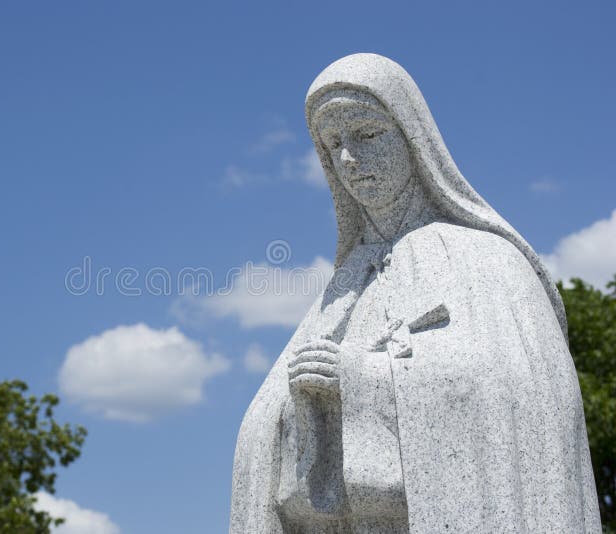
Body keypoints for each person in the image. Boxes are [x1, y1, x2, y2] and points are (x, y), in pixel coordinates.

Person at [229, 53, 601, 534]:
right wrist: (302, 405)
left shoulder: (489, 260)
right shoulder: (344, 285)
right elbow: (262, 431)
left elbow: (527, 403)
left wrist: (361, 377)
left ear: (413, 138)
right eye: (333, 143)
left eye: (366, 134)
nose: (349, 160)